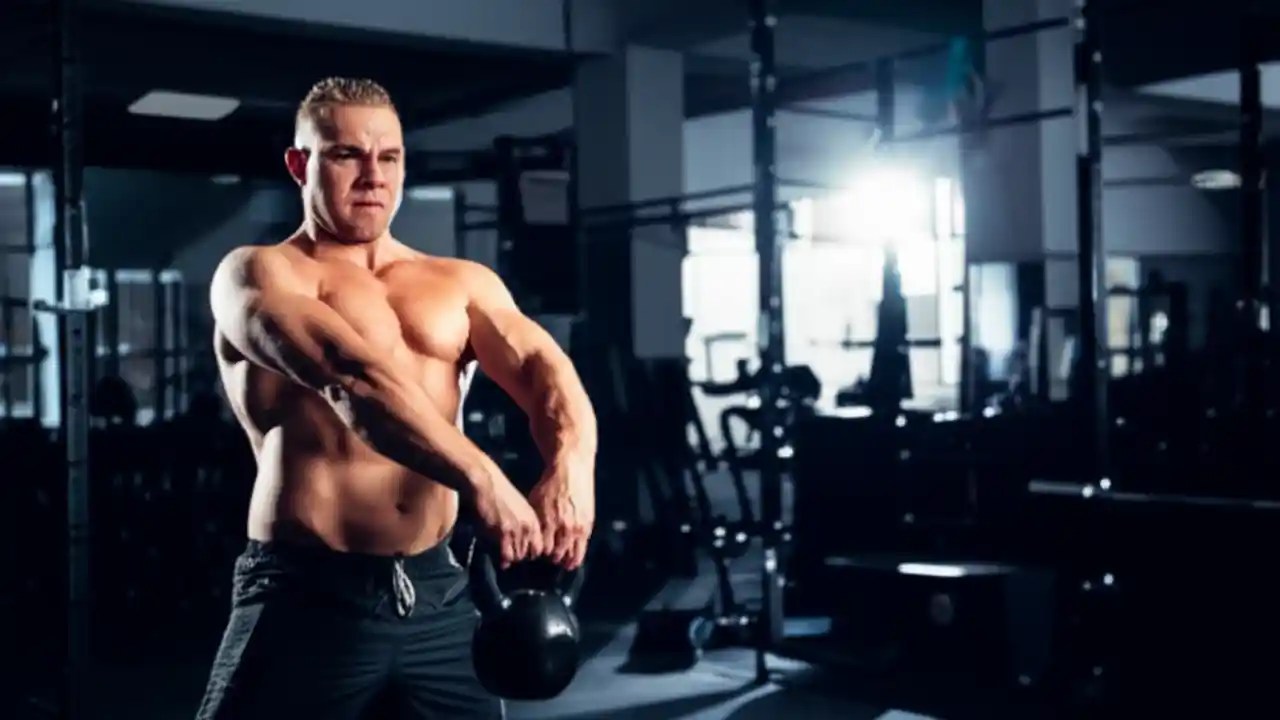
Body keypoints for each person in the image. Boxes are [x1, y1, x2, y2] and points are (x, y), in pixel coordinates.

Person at [196, 77, 598, 719]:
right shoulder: (257, 274)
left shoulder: (460, 282)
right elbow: (349, 376)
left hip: (442, 591)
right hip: (309, 594)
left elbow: (544, 368)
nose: (372, 176)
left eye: (389, 157)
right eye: (346, 155)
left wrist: (572, 467)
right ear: (301, 164)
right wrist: (484, 480)